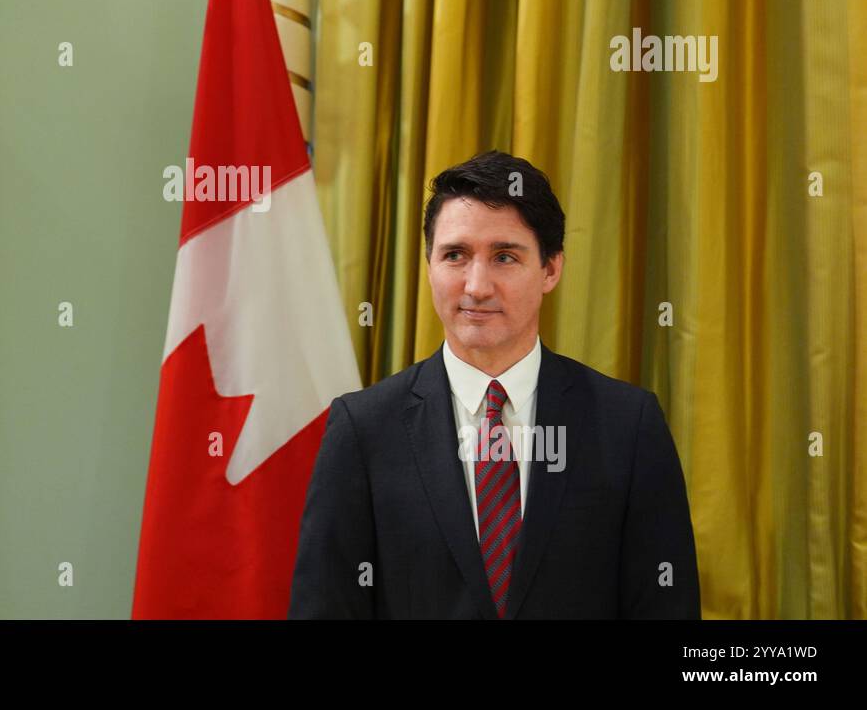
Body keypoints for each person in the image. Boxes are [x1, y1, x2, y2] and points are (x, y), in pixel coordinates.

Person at [288, 150, 700, 618]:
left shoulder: (629, 426)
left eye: (504, 256)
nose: (476, 286)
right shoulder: (362, 429)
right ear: (429, 266)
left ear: (550, 270)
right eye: (455, 255)